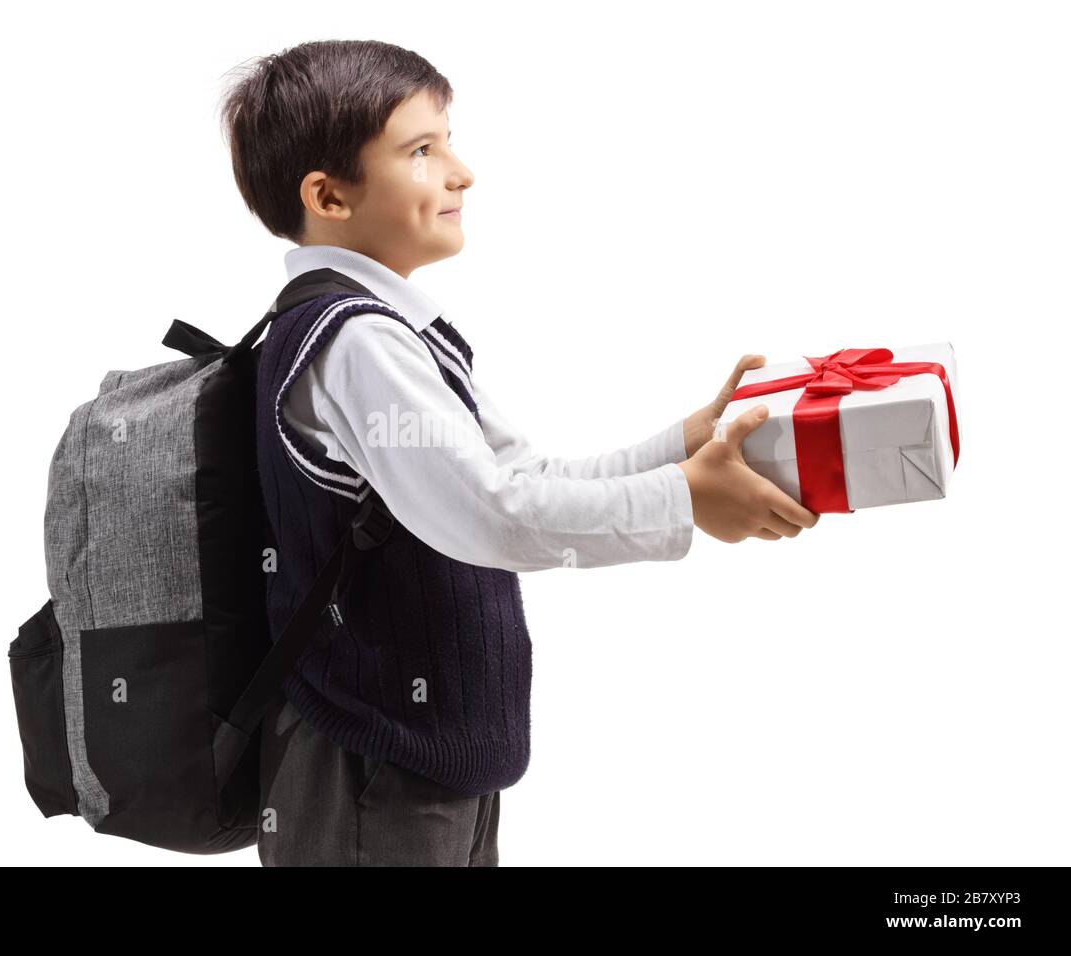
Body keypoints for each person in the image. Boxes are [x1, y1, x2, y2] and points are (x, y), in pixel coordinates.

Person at [218, 39, 819, 866]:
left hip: (417, 753)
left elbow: (521, 480)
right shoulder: (358, 343)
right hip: (370, 763)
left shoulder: (390, 331)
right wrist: (686, 500)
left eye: (447, 141)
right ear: (327, 194)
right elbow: (495, 517)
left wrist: (689, 445)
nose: (461, 172)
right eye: (422, 151)